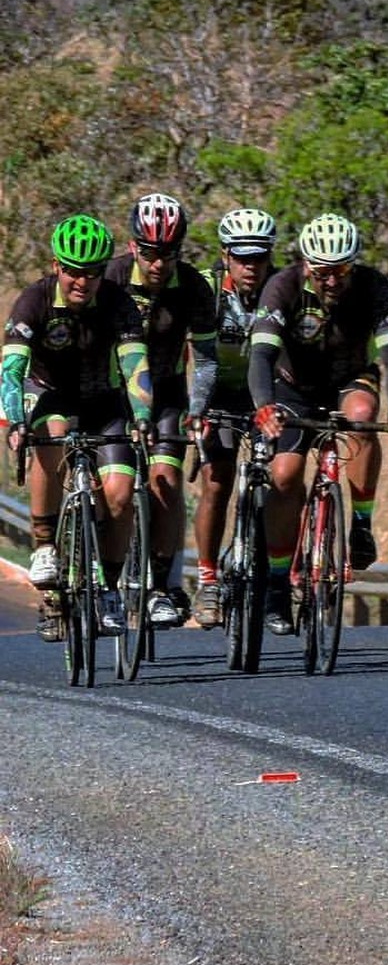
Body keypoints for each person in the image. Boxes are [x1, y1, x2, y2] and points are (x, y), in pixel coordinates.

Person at [248, 212, 388, 637]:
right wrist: (265, 405)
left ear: (353, 265)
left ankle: (360, 521)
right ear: (306, 265)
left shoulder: (374, 287)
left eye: (341, 271)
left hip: (348, 380)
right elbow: (261, 357)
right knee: (283, 475)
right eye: (323, 273)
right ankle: (279, 585)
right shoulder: (282, 286)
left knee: (360, 418)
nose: (333, 282)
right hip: (292, 388)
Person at [1, 214, 154, 640]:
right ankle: (46, 545)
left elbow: (135, 366)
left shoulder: (118, 303)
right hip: (49, 394)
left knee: (121, 496)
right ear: (56, 266)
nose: (81, 282)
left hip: (103, 402)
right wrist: (15, 419)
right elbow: (12, 368)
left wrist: (143, 417)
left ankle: (107, 587)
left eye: (92, 273)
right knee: (48, 436)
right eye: (72, 271)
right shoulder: (34, 300)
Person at [107, 192, 218, 629]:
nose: (158, 263)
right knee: (111, 488)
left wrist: (199, 407)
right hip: (113, 391)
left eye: (169, 254)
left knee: (166, 480)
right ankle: (100, 573)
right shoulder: (111, 277)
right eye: (150, 253)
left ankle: (160, 586)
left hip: (168, 391)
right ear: (134, 246)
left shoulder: (193, 287)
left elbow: (207, 360)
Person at [191, 207, 279, 629]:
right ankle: (207, 577)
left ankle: (280, 577)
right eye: (242, 257)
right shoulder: (205, 289)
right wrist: (194, 411)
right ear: (225, 255)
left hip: (269, 394)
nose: (251, 266)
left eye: (259, 257)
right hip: (217, 395)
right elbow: (181, 350)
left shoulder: (282, 290)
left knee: (282, 479)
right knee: (218, 479)